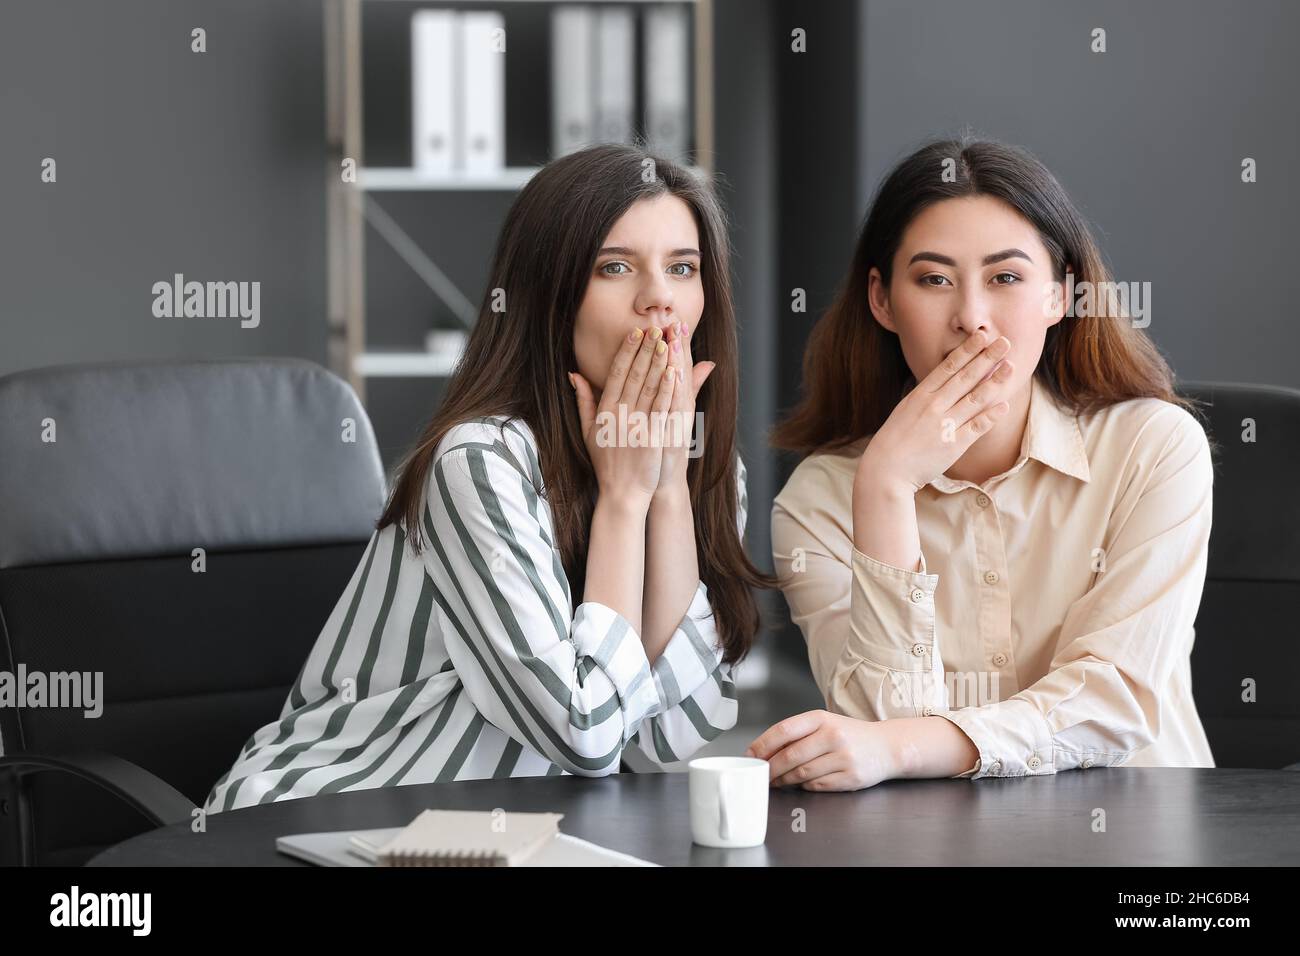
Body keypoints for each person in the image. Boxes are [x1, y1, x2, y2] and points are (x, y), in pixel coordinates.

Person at [204, 143, 770, 812]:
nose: (659, 300)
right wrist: (622, 499)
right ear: (549, 298)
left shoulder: (707, 474)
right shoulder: (478, 463)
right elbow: (588, 736)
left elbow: (663, 740)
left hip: (515, 833)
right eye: (614, 267)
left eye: (683, 268)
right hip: (335, 814)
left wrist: (668, 488)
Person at [749, 137, 1217, 791]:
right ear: (882, 301)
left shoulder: (1155, 449)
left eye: (1006, 278)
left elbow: (1112, 702)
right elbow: (883, 728)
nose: (971, 319)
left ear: (1060, 296)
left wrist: (906, 748)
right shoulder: (822, 500)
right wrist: (886, 488)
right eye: (934, 280)